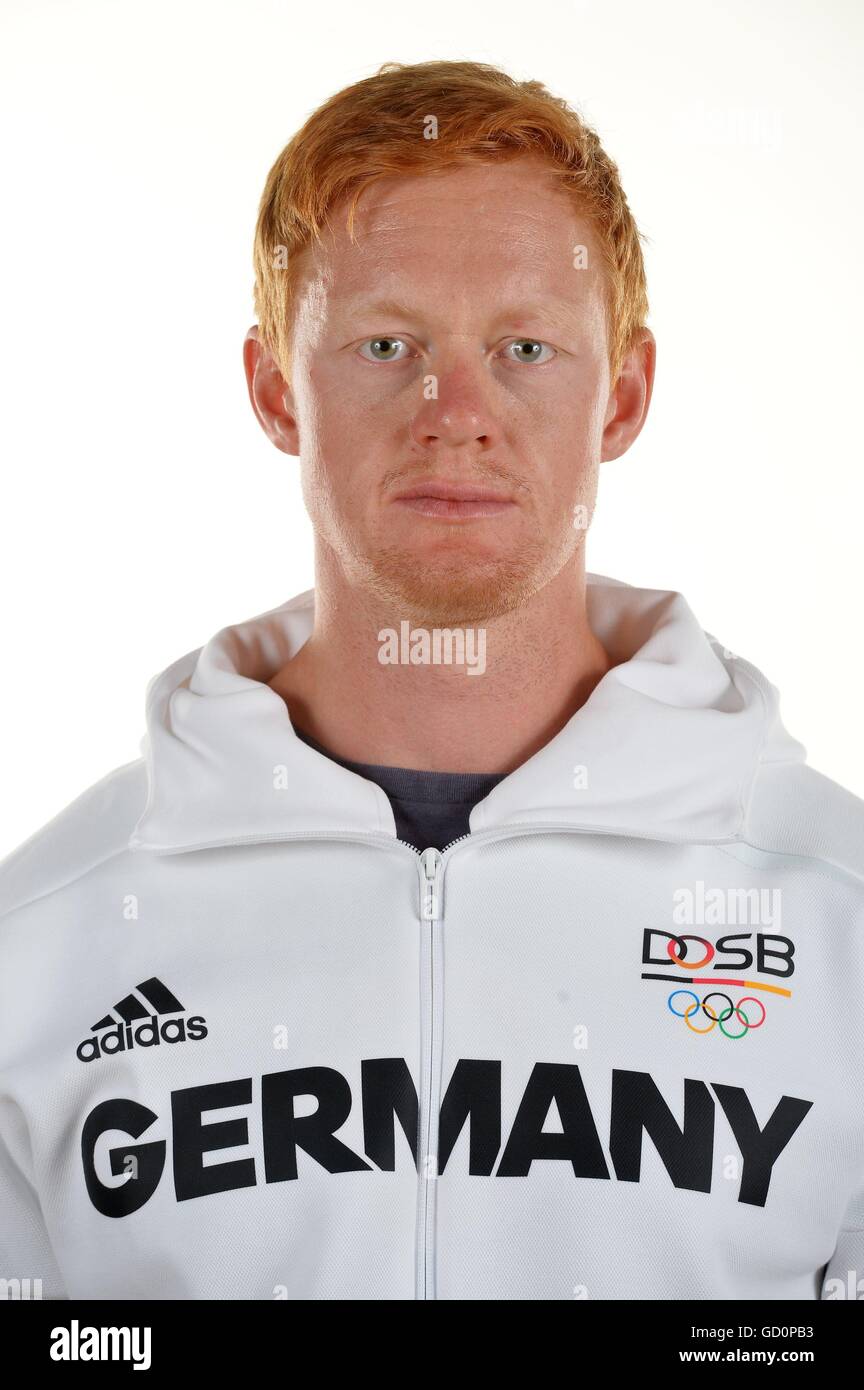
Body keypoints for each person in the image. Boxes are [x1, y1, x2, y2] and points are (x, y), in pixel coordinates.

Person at [1, 58, 862, 1303]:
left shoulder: (835, 922)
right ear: (272, 389)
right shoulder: (42, 950)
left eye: (525, 345)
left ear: (621, 395)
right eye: (385, 342)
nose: (453, 412)